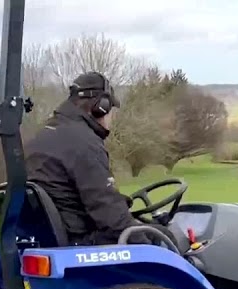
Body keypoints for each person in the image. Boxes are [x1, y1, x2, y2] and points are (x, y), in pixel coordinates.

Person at [25, 71, 158, 247]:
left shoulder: (43, 136)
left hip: (53, 239)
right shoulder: (83, 143)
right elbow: (110, 214)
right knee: (162, 236)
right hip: (80, 243)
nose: (111, 117)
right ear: (100, 106)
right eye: (110, 110)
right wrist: (148, 249)